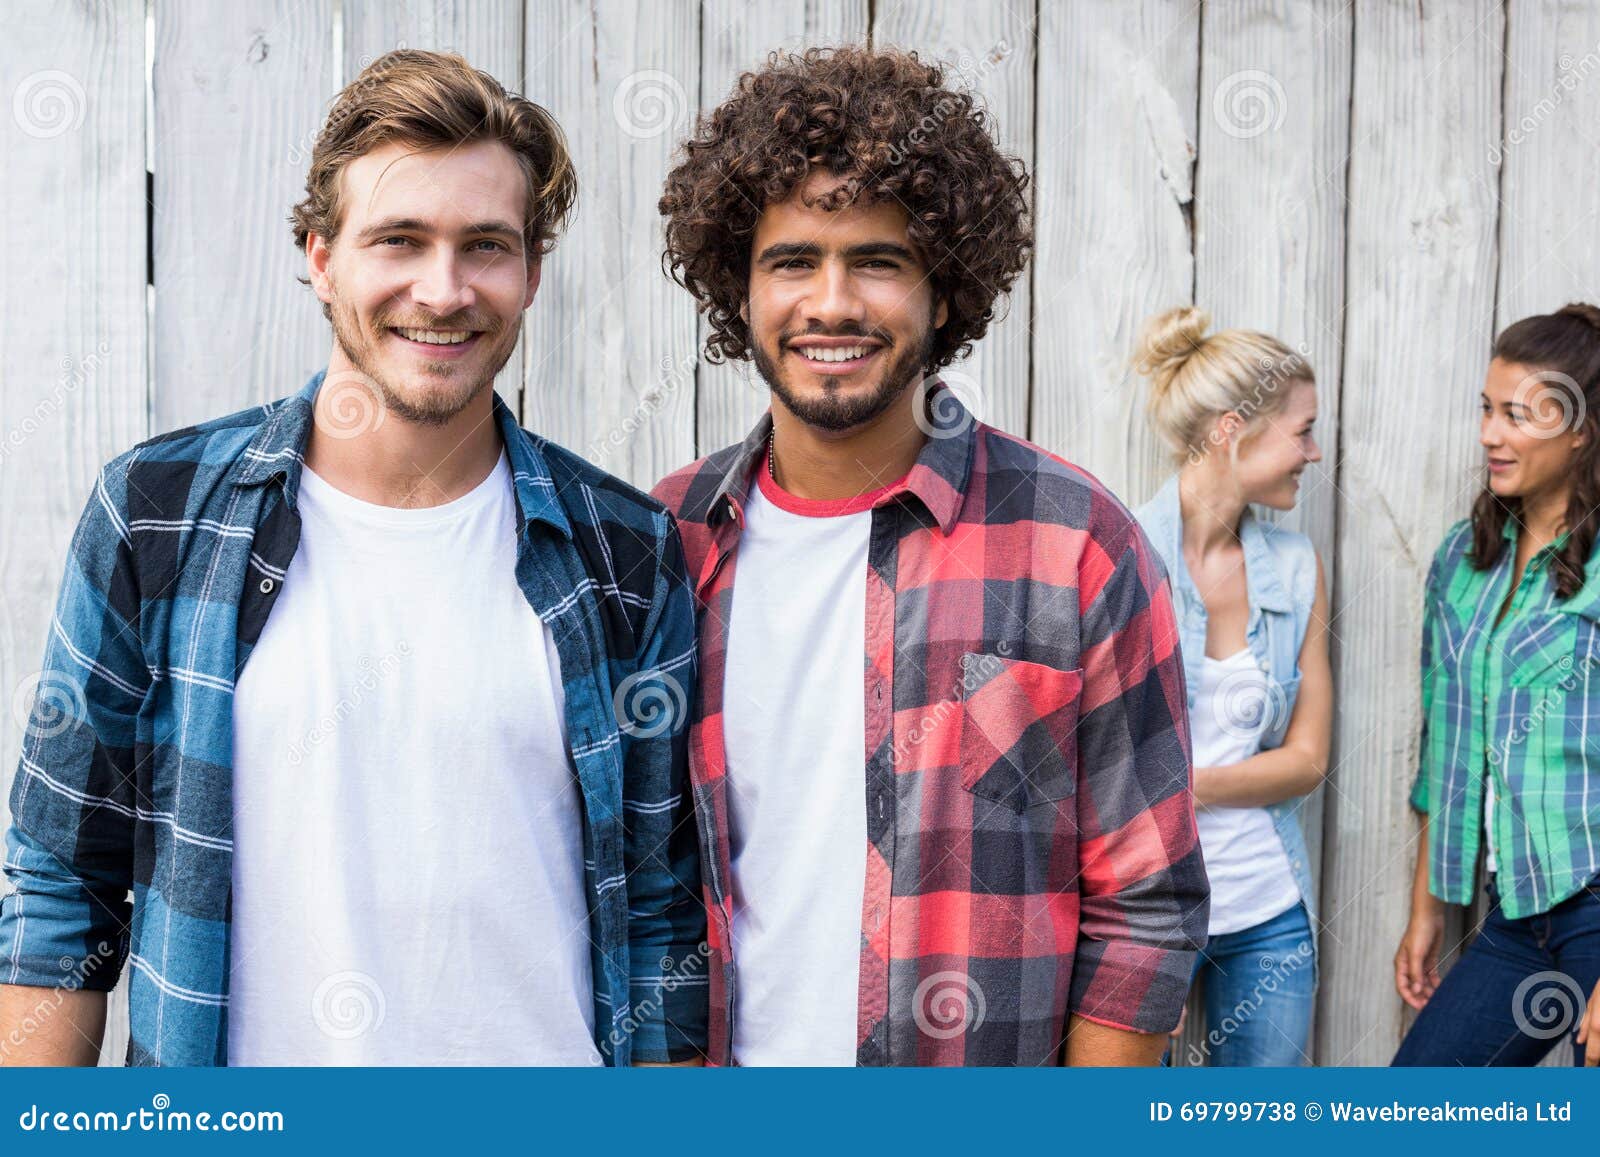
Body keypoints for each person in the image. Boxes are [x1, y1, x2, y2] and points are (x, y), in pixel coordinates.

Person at [0, 50, 705, 1067]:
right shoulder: (156, 516)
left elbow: (658, 917)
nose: (443, 289)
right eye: (399, 240)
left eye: (485, 246)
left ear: (531, 275)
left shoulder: (625, 550)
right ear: (323, 258)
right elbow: (64, 887)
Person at [651, 46, 1208, 1067]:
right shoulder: (664, 541)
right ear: (740, 287)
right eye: (792, 261)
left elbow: (1145, 908)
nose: (831, 302)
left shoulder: (1073, 543)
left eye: (877, 261)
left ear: (943, 292)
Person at [1394, 304, 1600, 1067]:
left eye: (1516, 414)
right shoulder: (1464, 558)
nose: (1489, 433)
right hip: (1516, 910)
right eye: (1487, 408)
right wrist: (1428, 908)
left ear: (1580, 429)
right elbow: (1445, 745)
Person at [1131, 308, 1330, 1067]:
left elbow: (1307, 760)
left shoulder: (1297, 567)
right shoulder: (1122, 554)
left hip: (1269, 911)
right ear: (1232, 431)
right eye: (1302, 431)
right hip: (1146, 913)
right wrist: (1152, 939)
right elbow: (1091, 769)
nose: (1313, 453)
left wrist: (1184, 786)